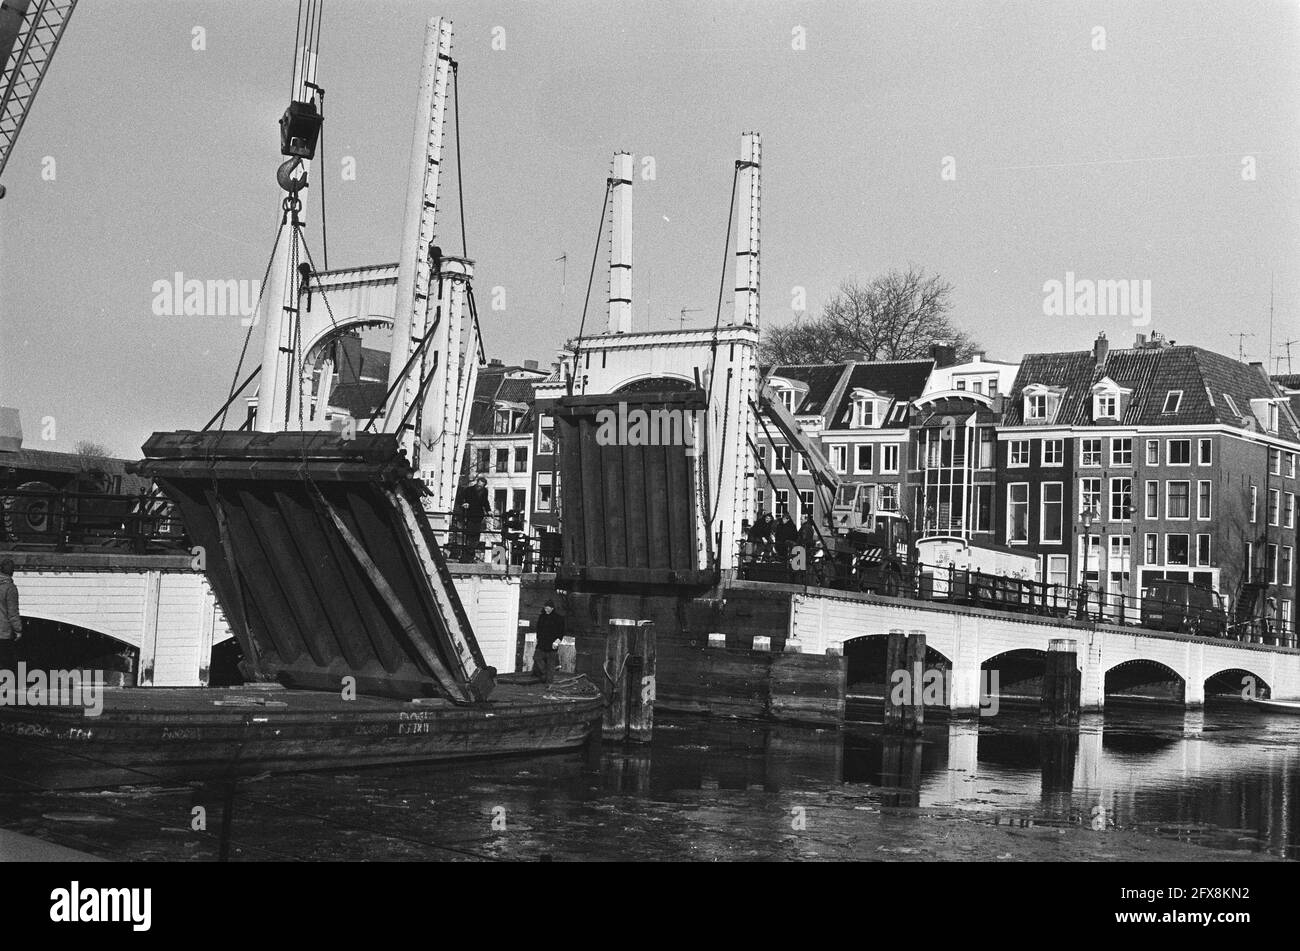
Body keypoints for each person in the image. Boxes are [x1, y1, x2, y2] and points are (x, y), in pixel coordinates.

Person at [455, 476, 491, 562]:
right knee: (470, 535)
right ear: (477, 483)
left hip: (479, 516)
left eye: (481, 486)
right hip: (470, 515)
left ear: (484, 486)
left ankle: (470, 556)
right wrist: (464, 504)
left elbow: (485, 501)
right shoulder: (469, 490)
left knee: (476, 537)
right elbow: (460, 499)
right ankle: (468, 556)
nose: (479, 487)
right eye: (478, 485)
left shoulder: (485, 491)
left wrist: (488, 510)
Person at [532, 599, 565, 684]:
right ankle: (544, 673)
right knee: (536, 657)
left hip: (552, 644)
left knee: (551, 664)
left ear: (552, 608)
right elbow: (538, 629)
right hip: (541, 644)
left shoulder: (558, 618)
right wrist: (538, 638)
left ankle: (549, 683)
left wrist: (557, 642)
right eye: (545, 607)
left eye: (548, 607)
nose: (546, 609)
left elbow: (561, 632)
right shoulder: (542, 616)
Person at [0, 556, 21, 671]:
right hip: (3, 631)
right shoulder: (10, 588)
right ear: (12, 572)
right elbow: (12, 612)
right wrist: (18, 629)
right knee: (5, 660)